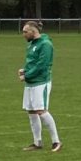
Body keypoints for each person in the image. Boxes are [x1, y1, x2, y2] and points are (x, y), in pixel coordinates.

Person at [18, 19, 61, 152]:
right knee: (31, 111)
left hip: (41, 82)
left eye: (25, 32)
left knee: (41, 111)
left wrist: (26, 75)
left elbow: (42, 65)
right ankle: (38, 142)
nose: (23, 34)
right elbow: (33, 63)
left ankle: (56, 141)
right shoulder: (32, 44)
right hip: (31, 82)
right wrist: (25, 70)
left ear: (33, 31)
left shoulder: (45, 44)